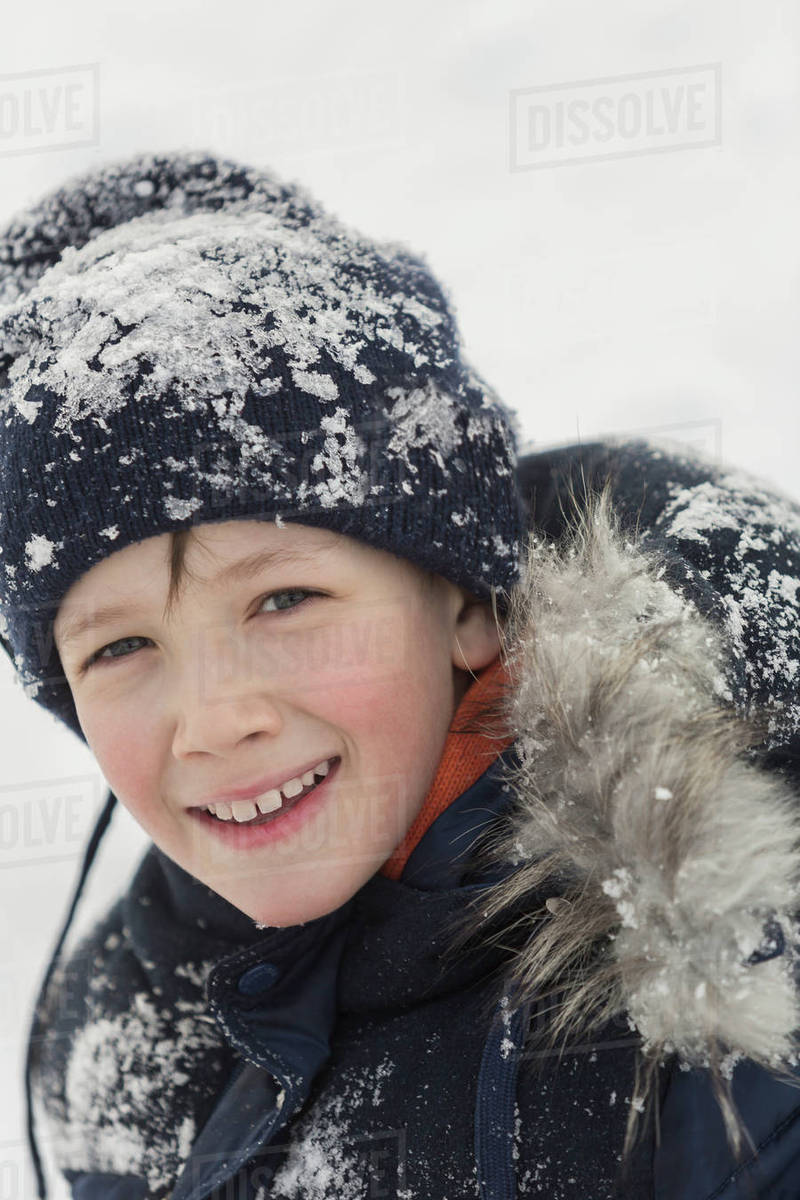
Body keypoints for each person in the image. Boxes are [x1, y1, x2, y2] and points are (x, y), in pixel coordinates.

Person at [2, 150, 800, 1200]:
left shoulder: (712, 1025)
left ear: (464, 602)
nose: (213, 719)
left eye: (284, 602)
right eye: (120, 648)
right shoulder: (122, 1023)